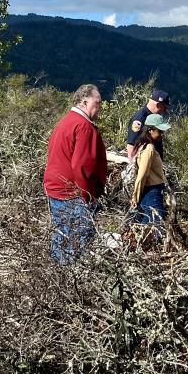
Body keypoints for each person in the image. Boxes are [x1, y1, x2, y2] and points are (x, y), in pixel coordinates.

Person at [43, 84, 108, 265]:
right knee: (79, 237)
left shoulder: (65, 122)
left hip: (56, 188)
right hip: (73, 192)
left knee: (62, 234)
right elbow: (82, 166)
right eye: (98, 101)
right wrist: (88, 196)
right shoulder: (84, 127)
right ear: (85, 101)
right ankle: (73, 280)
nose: (100, 105)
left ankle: (58, 277)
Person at [130, 113, 171, 225]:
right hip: (153, 192)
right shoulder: (149, 148)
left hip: (150, 192)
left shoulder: (143, 146)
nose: (161, 134)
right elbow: (142, 175)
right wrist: (136, 196)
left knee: (147, 225)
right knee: (156, 225)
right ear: (150, 130)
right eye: (159, 131)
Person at [126, 89, 170, 161]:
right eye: (164, 107)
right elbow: (131, 145)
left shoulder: (155, 118)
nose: (165, 111)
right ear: (158, 105)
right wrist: (135, 166)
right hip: (145, 164)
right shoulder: (140, 118)